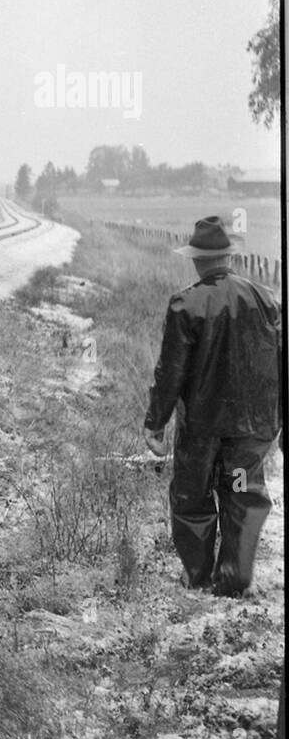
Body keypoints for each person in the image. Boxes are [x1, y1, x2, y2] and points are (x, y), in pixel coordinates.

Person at [144, 216, 282, 596]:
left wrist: (155, 422)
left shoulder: (185, 306)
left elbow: (171, 372)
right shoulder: (268, 301)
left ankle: (200, 576)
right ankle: (234, 578)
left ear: (196, 260)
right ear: (228, 258)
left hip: (203, 432)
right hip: (248, 432)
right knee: (240, 491)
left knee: (194, 496)